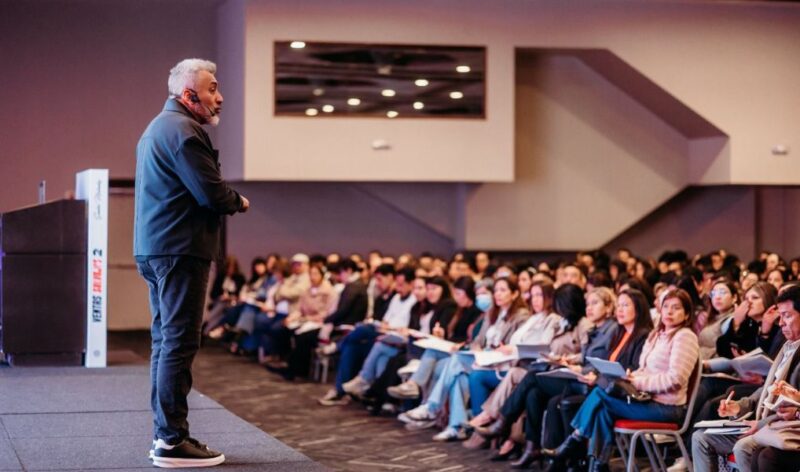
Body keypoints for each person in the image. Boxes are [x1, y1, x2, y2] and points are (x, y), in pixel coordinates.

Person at [134, 58, 249, 468]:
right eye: (212, 89)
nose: (219, 98)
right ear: (189, 95)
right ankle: (170, 440)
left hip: (158, 249)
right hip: (180, 250)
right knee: (179, 344)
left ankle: (167, 435)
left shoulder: (157, 128)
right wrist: (239, 201)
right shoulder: (185, 131)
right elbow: (212, 194)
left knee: (166, 344)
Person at [545, 289, 700, 472]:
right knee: (602, 410)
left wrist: (637, 382)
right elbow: (644, 369)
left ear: (687, 314)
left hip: (667, 408)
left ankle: (575, 442)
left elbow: (676, 379)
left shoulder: (685, 336)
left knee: (601, 394)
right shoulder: (656, 335)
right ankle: (597, 465)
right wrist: (632, 376)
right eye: (666, 307)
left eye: (676, 308)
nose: (669, 312)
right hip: (647, 399)